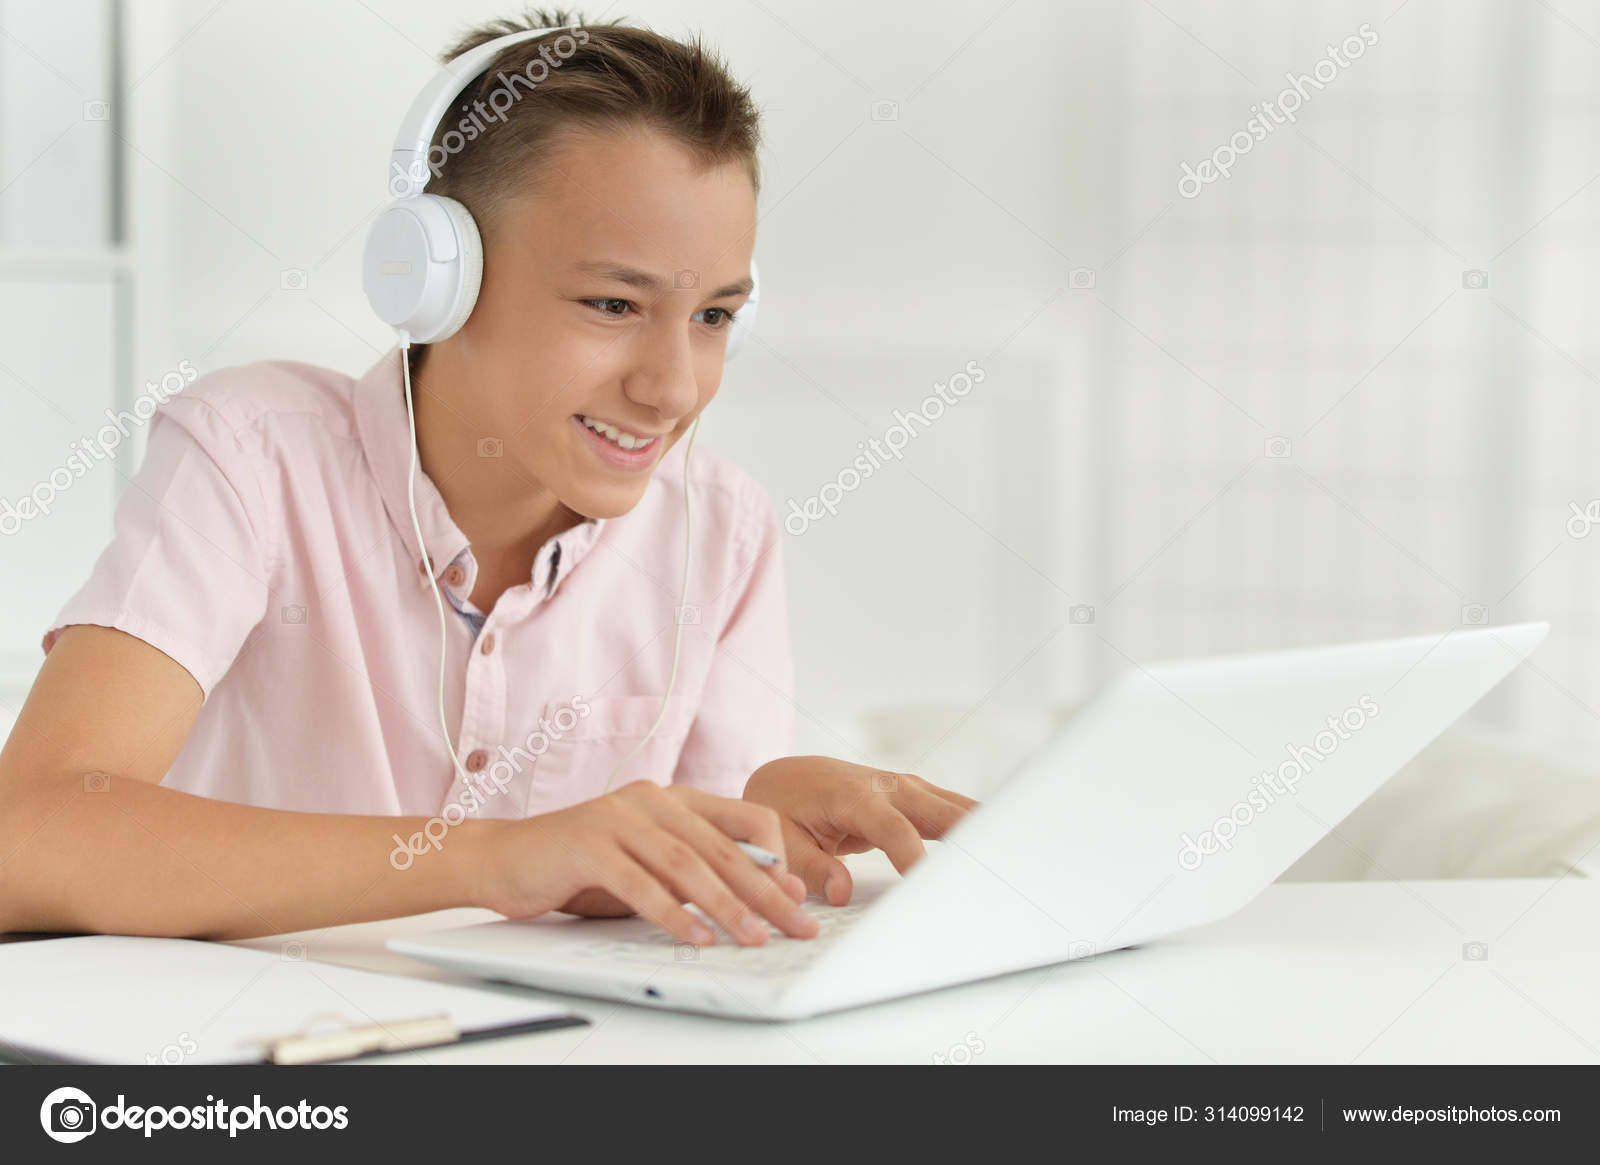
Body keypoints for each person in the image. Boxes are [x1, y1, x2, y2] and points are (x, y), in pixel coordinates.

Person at [0, 9, 975, 948]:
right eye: (611, 302)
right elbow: (30, 838)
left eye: (715, 316)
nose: (672, 386)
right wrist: (492, 859)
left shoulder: (720, 528)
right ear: (432, 279)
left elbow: (669, 883)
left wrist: (754, 824)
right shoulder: (254, 454)